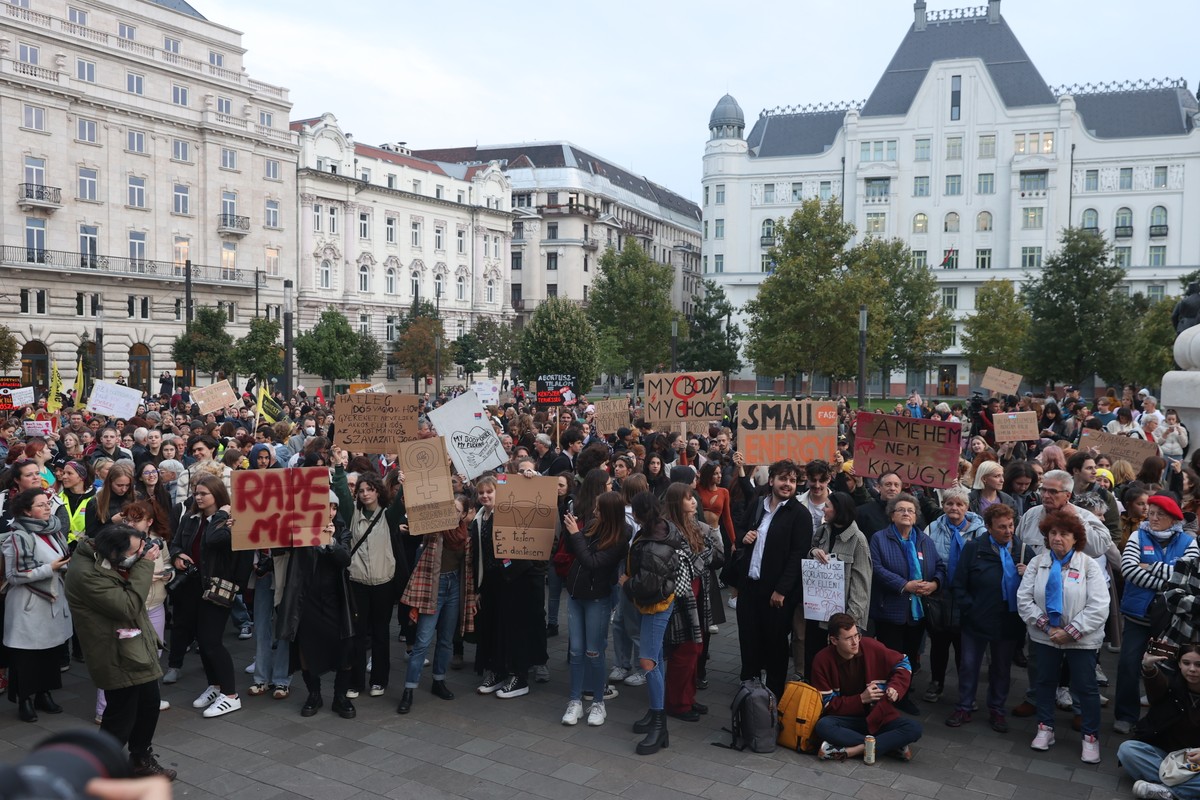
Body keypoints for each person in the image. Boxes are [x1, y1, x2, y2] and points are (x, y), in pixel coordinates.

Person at [66, 523, 175, 780]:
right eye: (134, 551)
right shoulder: (85, 573)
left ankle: (140, 759)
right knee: (120, 718)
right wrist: (145, 565)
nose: (140, 554)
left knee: (148, 704)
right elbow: (127, 606)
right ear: (114, 552)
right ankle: (97, 771)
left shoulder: (107, 559)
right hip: (114, 652)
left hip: (133, 645)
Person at [1017, 509, 1110, 762]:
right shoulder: (1038, 562)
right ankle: (1045, 728)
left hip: (1082, 640)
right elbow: (1024, 599)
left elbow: (1099, 605)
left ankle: (1090, 737)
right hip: (1045, 636)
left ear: (1075, 537)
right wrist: (1047, 628)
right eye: (1053, 533)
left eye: (1064, 534)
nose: (1057, 538)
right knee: (1045, 682)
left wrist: (1070, 632)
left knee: (1086, 686)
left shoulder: (1088, 565)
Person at [1114, 494, 1198, 735]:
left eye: (1160, 514)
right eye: (1151, 513)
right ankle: (1126, 715)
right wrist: (1171, 581)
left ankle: (1160, 719)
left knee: (1165, 670)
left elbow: (1190, 580)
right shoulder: (1137, 536)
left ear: (1173, 519)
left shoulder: (1188, 542)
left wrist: (1150, 566)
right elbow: (1128, 569)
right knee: (1129, 665)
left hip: (1170, 621)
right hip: (1136, 616)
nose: (1154, 518)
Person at [167, 475, 249, 718]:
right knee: (202, 641)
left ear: (218, 496)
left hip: (217, 589)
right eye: (196, 492)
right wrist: (177, 557)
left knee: (212, 641)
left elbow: (213, 540)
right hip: (191, 587)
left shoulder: (228, 522)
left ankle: (231, 695)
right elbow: (175, 543)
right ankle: (215, 685)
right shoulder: (190, 518)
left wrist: (221, 516)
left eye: (204, 493)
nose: (198, 497)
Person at [948, 504, 1033, 732]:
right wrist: (970, 608)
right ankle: (964, 706)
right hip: (976, 620)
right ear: (988, 527)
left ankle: (997, 709)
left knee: (1001, 668)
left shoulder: (1023, 551)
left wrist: (1029, 575)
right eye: (1002, 527)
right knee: (968, 665)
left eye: (1011, 525)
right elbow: (958, 583)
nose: (1008, 531)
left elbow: (1038, 586)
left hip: (1008, 621)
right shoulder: (974, 548)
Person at [734, 459, 813, 700]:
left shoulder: (799, 514)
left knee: (775, 644)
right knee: (749, 638)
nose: (787, 484)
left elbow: (798, 555)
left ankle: (773, 695)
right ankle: (749, 691)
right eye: (783, 479)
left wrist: (781, 590)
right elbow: (739, 531)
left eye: (792, 480)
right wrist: (744, 537)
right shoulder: (758, 505)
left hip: (775, 593)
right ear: (771, 480)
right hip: (750, 586)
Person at [330, 466, 409, 700]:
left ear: (378, 492)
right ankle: (355, 682)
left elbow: (400, 503)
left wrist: (404, 483)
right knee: (358, 634)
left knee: (381, 634)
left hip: (383, 583)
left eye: (370, 489)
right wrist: (338, 469)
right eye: (362, 490)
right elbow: (343, 494)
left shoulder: (388, 515)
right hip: (358, 583)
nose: (365, 494)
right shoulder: (352, 514)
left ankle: (379, 679)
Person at [397, 494, 477, 715]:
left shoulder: (466, 535)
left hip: (454, 587)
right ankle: (409, 689)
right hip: (434, 587)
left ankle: (438, 680)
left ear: (463, 515)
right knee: (422, 641)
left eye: (456, 510)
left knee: (446, 640)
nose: (451, 512)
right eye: (449, 507)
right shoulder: (435, 529)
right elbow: (416, 518)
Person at [869, 492, 946, 714]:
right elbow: (877, 568)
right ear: (891, 515)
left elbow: (940, 567)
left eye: (910, 510)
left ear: (916, 516)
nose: (906, 513)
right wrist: (904, 585)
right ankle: (884, 697)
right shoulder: (879, 538)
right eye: (900, 510)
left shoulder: (924, 540)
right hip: (890, 609)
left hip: (918, 610)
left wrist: (934, 584)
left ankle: (902, 694)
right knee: (890, 655)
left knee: (910, 655)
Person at [472, 475, 547, 700]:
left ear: (499, 493)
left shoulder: (509, 513)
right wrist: (477, 587)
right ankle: (498, 670)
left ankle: (519, 676)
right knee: (494, 628)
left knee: (515, 629)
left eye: (489, 492)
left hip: (514, 580)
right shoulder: (479, 518)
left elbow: (535, 503)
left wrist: (532, 479)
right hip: (490, 581)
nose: (485, 496)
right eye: (481, 493)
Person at [810, 612, 922, 762]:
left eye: (857, 635)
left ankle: (854, 750)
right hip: (846, 720)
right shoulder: (822, 660)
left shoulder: (870, 646)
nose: (855, 642)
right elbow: (828, 705)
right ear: (834, 640)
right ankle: (889, 745)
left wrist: (895, 687)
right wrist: (861, 699)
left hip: (878, 716)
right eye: (849, 638)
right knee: (823, 726)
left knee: (914, 728)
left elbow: (904, 663)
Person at [2, 488, 72, 722]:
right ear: (26, 510)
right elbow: (14, 575)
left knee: (50, 653)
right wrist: (50, 568)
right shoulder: (17, 536)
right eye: (40, 505)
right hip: (28, 605)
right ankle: (25, 700)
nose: (46, 508)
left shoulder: (53, 530)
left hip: (52, 601)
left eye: (47, 504)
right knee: (26, 657)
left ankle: (44, 694)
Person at [560, 491, 629, 727]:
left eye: (599, 508)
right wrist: (570, 529)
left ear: (609, 512)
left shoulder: (621, 535)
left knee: (594, 651)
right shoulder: (591, 524)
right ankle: (575, 701)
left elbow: (593, 563)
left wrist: (576, 535)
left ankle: (598, 702)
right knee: (576, 652)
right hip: (575, 594)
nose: (594, 511)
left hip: (597, 598)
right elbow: (574, 551)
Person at [625, 490, 685, 755]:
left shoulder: (653, 542)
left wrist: (627, 584)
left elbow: (646, 585)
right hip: (659, 601)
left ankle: (660, 726)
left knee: (648, 661)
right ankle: (654, 711)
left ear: (639, 514)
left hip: (655, 605)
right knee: (656, 657)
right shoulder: (659, 529)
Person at [662, 482, 719, 723]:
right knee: (685, 651)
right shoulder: (669, 529)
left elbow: (714, 556)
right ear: (677, 503)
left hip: (698, 596)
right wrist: (705, 554)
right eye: (688, 498)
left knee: (695, 649)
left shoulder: (695, 526)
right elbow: (688, 562)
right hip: (680, 599)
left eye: (693, 497)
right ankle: (676, 702)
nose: (694, 501)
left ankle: (688, 697)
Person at [923, 486, 986, 703]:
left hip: (965, 599)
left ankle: (966, 691)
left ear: (967, 507)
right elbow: (926, 557)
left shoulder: (980, 531)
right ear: (943, 506)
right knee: (938, 645)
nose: (954, 508)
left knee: (964, 648)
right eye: (950, 503)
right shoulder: (933, 527)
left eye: (959, 504)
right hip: (940, 596)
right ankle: (936, 682)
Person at [1117, 641, 1200, 800]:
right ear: (1179, 664)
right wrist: (1148, 666)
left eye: (1199, 664)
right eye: (1186, 663)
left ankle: (1166, 791)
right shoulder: (1173, 685)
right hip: (1168, 757)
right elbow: (1156, 692)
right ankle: (1177, 790)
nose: (1192, 669)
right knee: (1127, 750)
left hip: (1196, 760)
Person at [805, 492, 871, 677]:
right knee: (814, 659)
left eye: (827, 506)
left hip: (840, 618)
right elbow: (810, 552)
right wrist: (814, 551)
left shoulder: (858, 540)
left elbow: (861, 584)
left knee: (836, 667)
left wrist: (849, 620)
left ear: (839, 510)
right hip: (816, 612)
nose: (823, 509)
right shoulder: (823, 530)